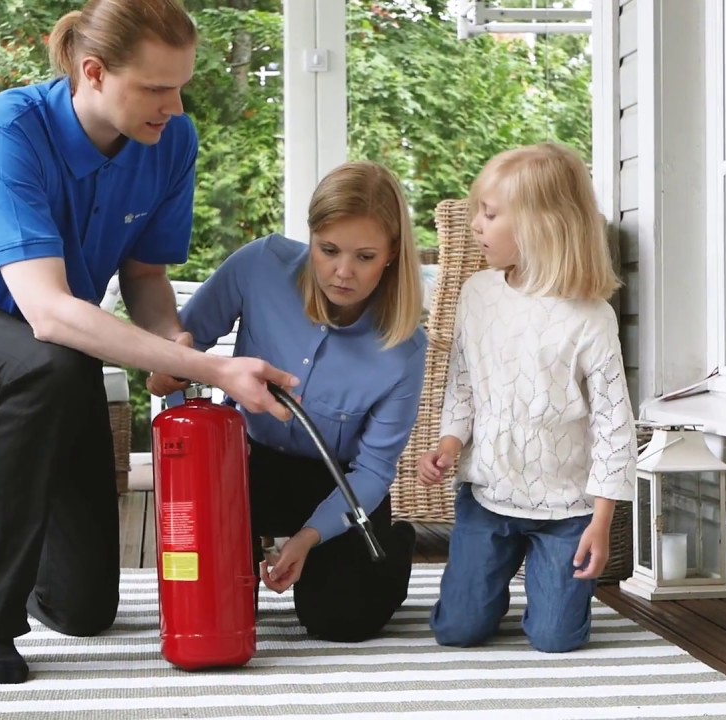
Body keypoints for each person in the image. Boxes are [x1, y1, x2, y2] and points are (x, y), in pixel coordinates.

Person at [0, 0, 298, 685]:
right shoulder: (10, 129)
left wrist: (170, 341)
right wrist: (209, 366)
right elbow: (48, 311)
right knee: (50, 364)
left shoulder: (170, 142)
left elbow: (144, 277)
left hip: (59, 357)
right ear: (93, 73)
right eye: (155, 87)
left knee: (84, 610)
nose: (172, 105)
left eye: (180, 86)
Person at [147, 161, 427, 642]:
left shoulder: (404, 349)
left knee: (341, 620)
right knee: (212, 601)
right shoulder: (260, 265)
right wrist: (173, 396)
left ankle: (394, 543)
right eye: (328, 250)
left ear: (391, 254)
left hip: (337, 483)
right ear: (311, 236)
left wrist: (307, 539)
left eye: (364, 256)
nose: (342, 272)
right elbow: (182, 352)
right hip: (245, 464)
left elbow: (374, 471)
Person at [416, 143, 636, 653]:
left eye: (490, 214)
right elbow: (464, 382)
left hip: (566, 509)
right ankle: (483, 592)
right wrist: (450, 443)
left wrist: (601, 523)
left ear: (542, 225)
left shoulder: (590, 316)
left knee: (556, 640)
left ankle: (549, 592)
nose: (476, 224)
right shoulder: (477, 293)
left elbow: (613, 425)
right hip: (488, 499)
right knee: (457, 631)